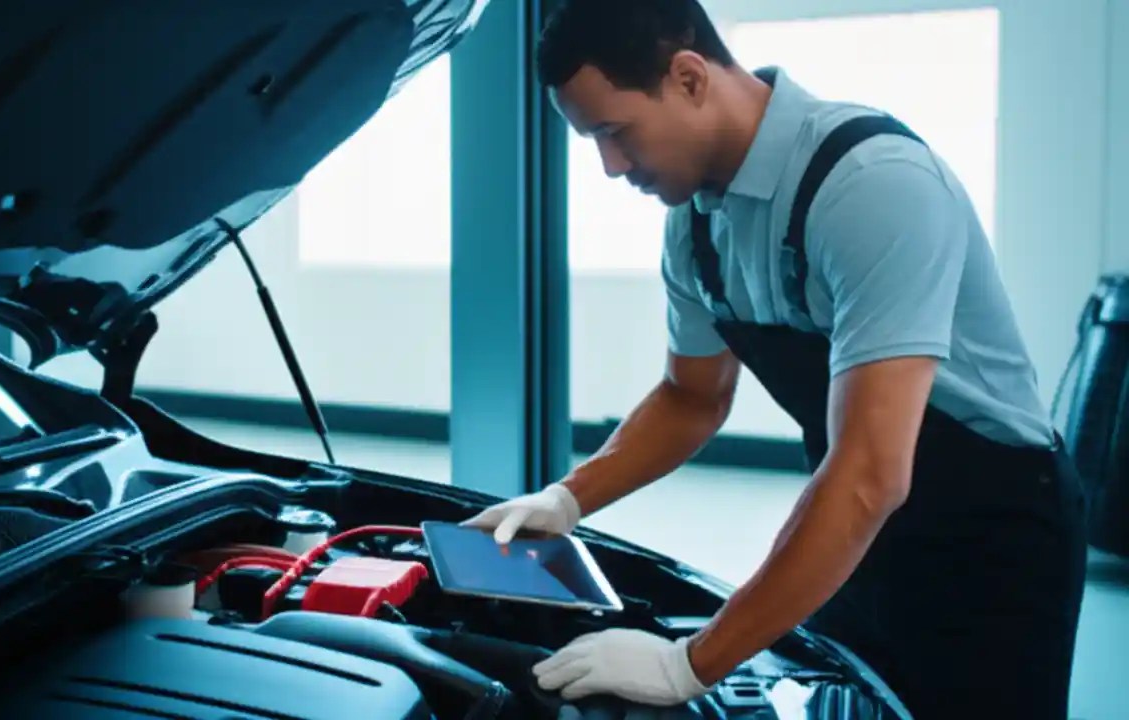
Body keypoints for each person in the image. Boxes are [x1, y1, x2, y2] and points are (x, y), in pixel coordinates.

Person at [461, 0, 1088, 717]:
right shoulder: (695, 224)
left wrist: (686, 664)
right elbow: (691, 398)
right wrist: (566, 499)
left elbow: (873, 474)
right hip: (854, 524)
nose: (609, 167)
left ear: (690, 78)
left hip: (992, 536)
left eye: (614, 132)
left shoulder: (874, 186)